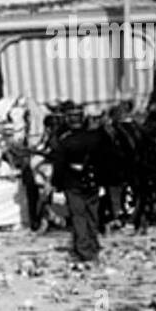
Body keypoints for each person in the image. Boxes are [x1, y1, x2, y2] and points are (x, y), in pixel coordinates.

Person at [51, 104, 101, 265]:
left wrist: (56, 185)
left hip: (73, 183)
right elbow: (105, 160)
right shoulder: (95, 138)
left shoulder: (65, 141)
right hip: (93, 181)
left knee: (78, 217)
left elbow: (59, 165)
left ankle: (84, 251)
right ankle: (94, 246)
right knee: (92, 215)